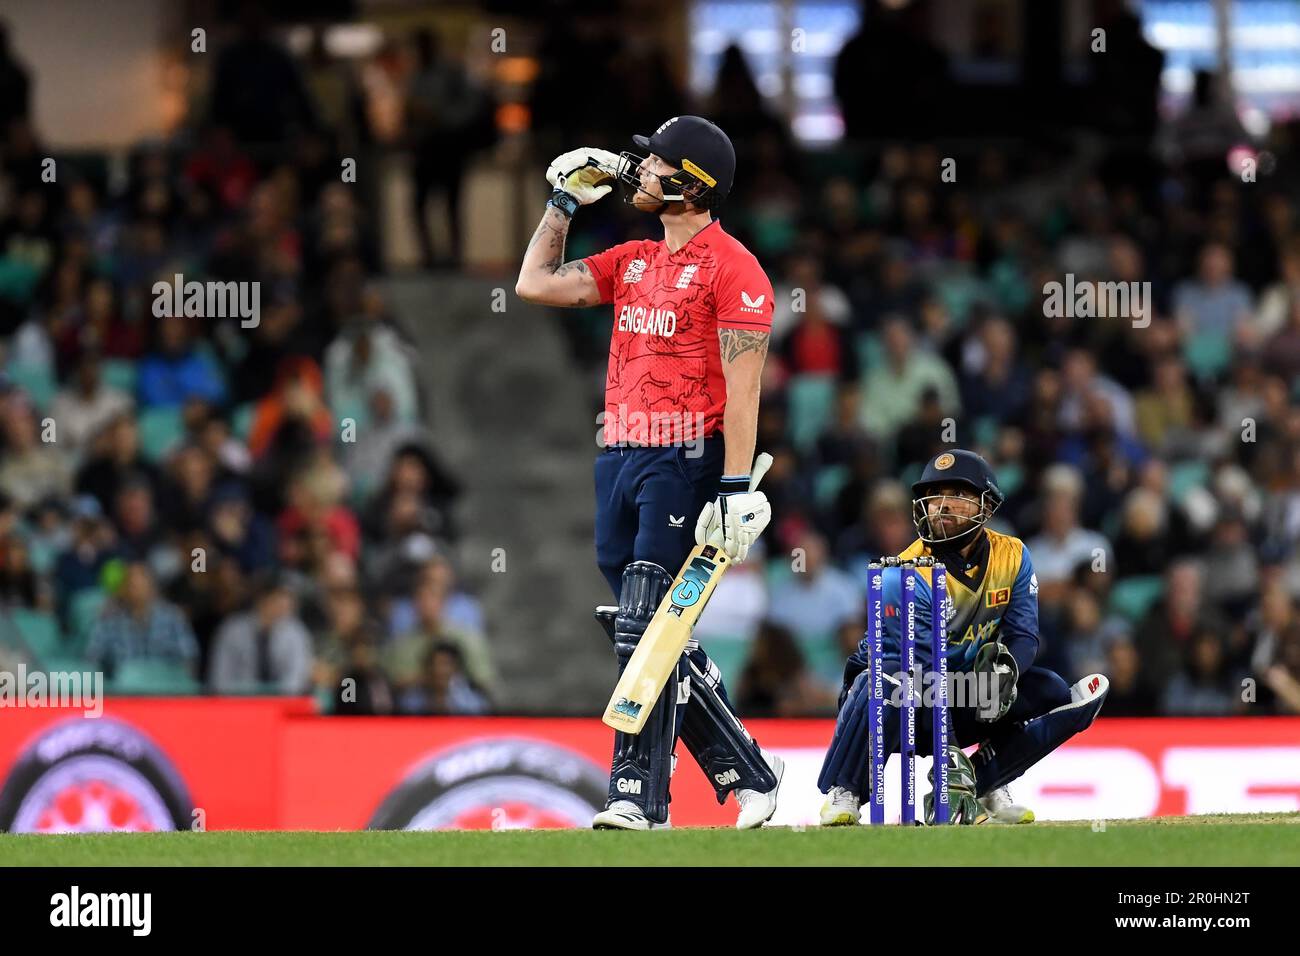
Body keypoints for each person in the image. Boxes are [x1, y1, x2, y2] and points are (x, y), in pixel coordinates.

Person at [515, 116, 783, 830]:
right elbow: (534, 283)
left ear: (692, 187)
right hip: (619, 455)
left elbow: (745, 385)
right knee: (652, 631)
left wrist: (731, 487)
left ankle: (637, 797)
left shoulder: (736, 269)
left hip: (687, 455)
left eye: (655, 165)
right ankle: (752, 770)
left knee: (643, 624)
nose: (640, 173)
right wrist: (563, 204)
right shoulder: (632, 259)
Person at [818, 449, 1109, 825]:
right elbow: (918, 668)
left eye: (957, 495)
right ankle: (848, 790)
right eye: (935, 496)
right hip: (904, 700)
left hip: (966, 690)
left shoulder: (1014, 555)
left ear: (986, 505)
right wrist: (949, 752)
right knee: (884, 680)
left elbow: (1024, 635)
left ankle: (988, 781)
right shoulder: (905, 572)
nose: (942, 506)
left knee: (1050, 690)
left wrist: (1008, 669)